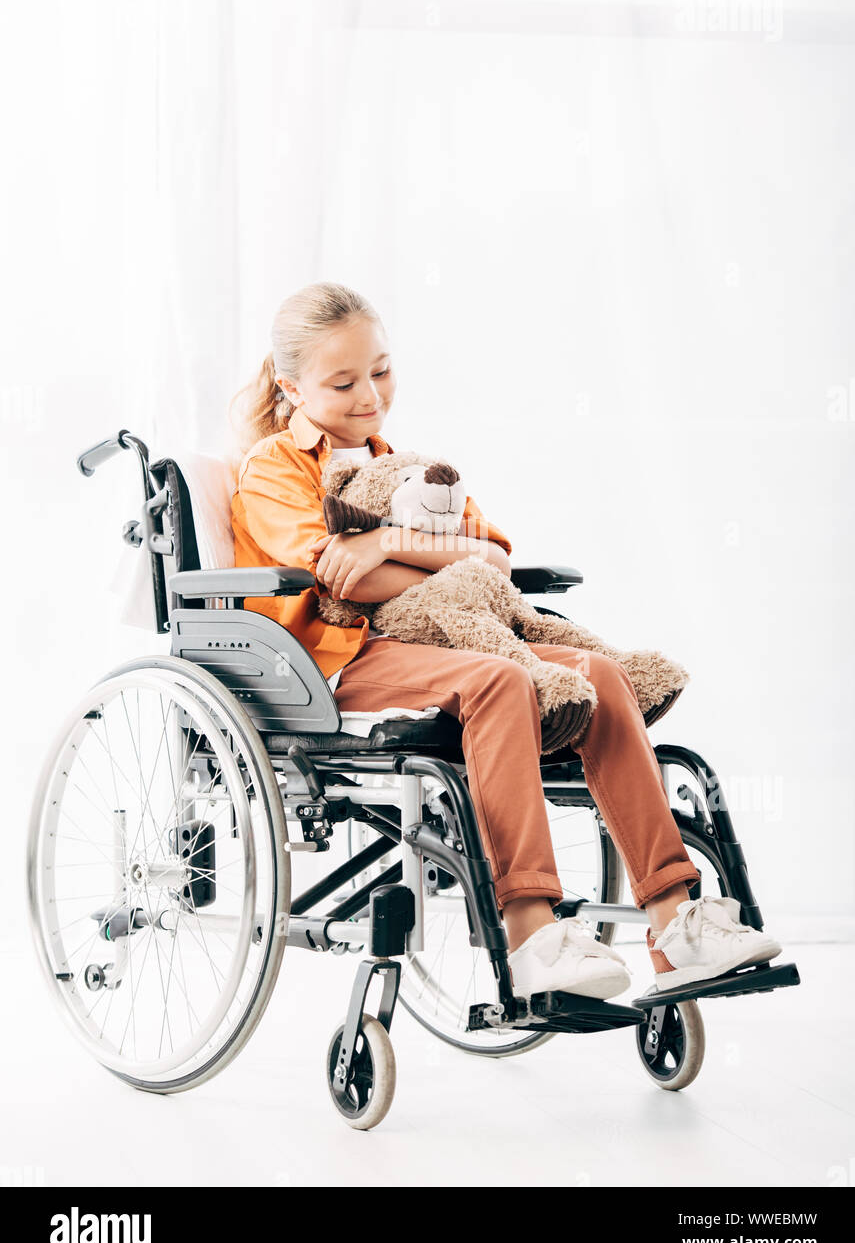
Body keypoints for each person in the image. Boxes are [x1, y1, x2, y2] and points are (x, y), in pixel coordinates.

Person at [231, 281, 781, 999]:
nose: (369, 394)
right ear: (290, 385)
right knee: (498, 681)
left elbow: (492, 558)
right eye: (342, 382)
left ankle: (676, 920)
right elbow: (343, 581)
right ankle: (530, 931)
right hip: (338, 663)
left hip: (442, 642)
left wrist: (384, 543)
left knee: (599, 675)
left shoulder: (410, 469)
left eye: (381, 369)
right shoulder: (273, 466)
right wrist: (399, 555)